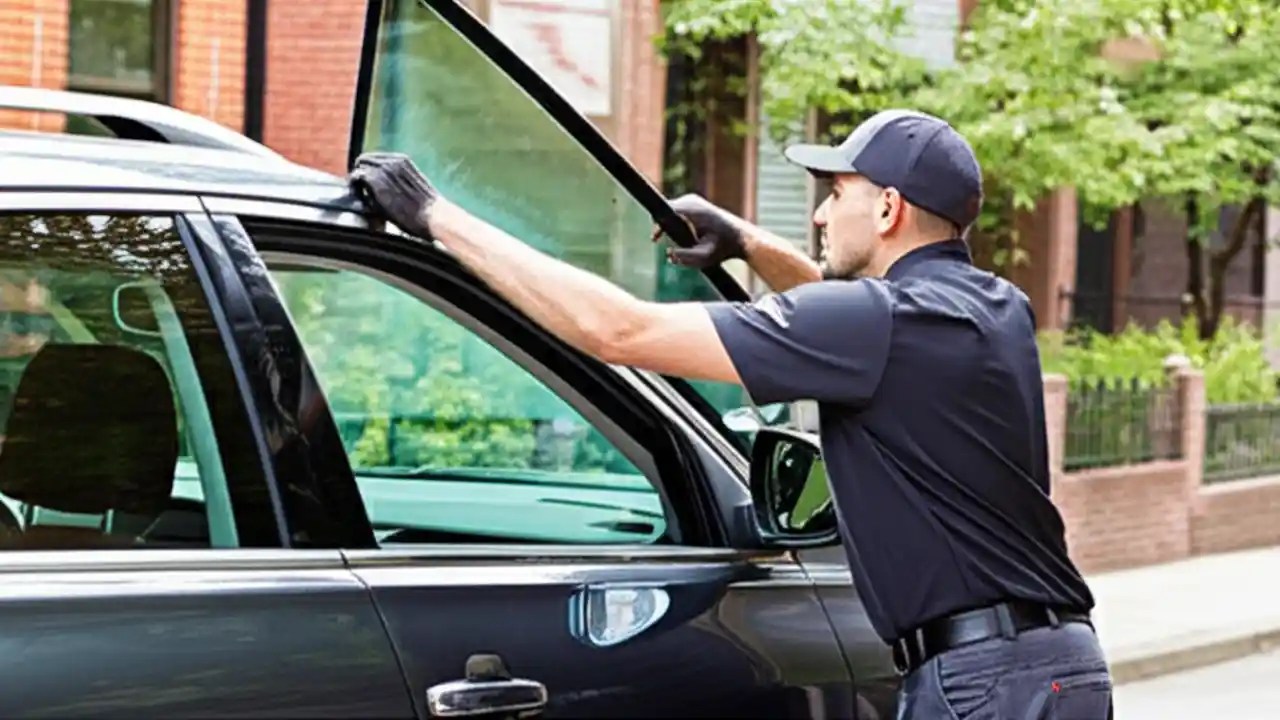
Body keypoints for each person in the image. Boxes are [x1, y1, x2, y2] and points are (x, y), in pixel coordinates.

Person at [350, 108, 1113, 719]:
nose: (819, 214)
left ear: (888, 207)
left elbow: (618, 332)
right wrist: (743, 242)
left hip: (978, 685)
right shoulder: (994, 309)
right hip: (1062, 669)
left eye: (836, 193)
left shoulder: (877, 325)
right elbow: (837, 300)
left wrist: (436, 218)